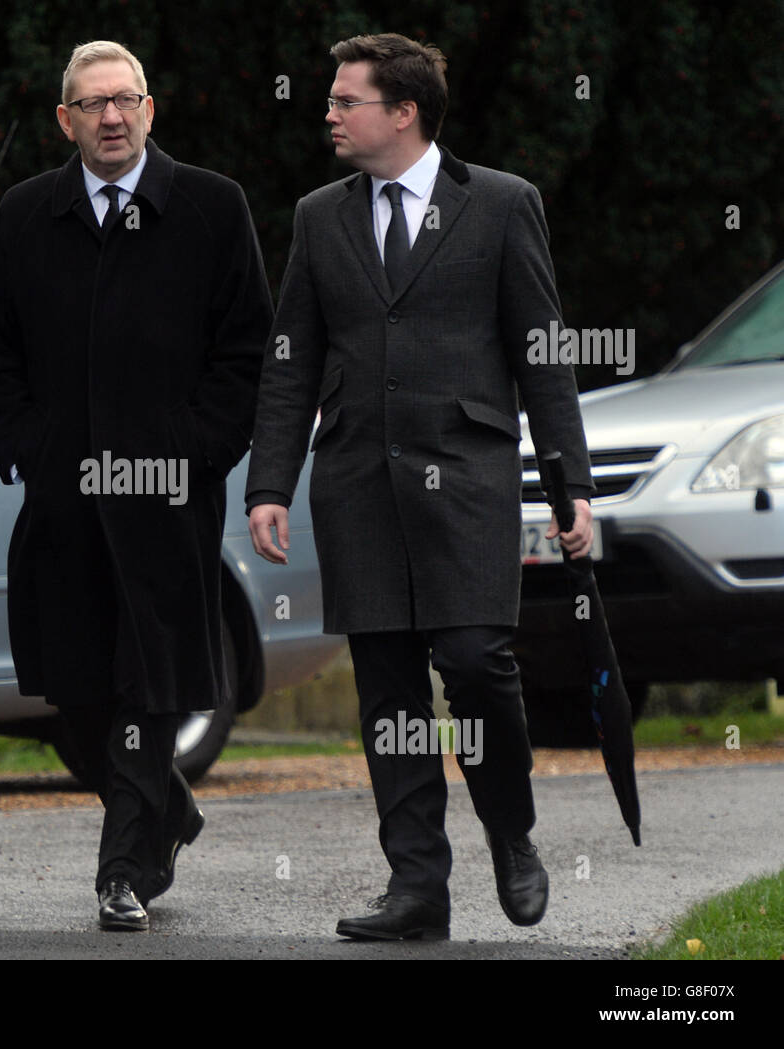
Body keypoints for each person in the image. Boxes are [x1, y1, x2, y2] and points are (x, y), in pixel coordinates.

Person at [246, 33, 595, 941]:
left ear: (402, 112)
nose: (328, 112)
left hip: (469, 482)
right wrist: (269, 483)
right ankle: (417, 886)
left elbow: (543, 356)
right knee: (389, 693)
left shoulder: (503, 205)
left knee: (478, 663)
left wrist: (573, 487)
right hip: (359, 482)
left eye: (344, 100)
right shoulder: (320, 215)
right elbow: (293, 360)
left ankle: (512, 833)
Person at [0, 40, 272, 931]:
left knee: (150, 684)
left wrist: (195, 453)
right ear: (66, 120)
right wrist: (31, 449)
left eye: (125, 100)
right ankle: (168, 808)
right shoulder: (28, 214)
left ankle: (124, 867)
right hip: (63, 509)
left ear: (149, 109)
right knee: (82, 688)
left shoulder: (213, 207)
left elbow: (245, 354)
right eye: (92, 104)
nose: (110, 117)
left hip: (168, 508)